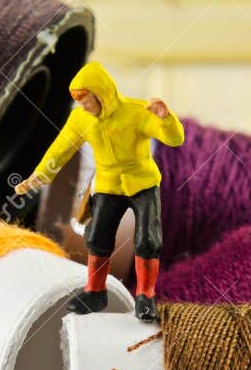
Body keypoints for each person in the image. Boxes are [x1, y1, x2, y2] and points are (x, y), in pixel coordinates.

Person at [13, 62, 184, 322]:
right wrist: (39, 176)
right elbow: (60, 150)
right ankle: (95, 293)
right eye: (78, 101)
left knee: (148, 241)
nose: (82, 106)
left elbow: (173, 139)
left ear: (101, 93)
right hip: (107, 185)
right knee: (96, 238)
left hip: (142, 184)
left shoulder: (136, 112)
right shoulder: (81, 118)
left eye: (86, 100)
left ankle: (145, 298)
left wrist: (166, 118)